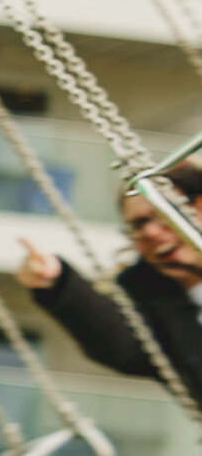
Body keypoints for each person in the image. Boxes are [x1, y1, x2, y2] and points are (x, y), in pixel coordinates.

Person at [15, 162, 202, 410]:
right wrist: (57, 281)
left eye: (165, 215)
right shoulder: (149, 297)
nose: (152, 233)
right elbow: (120, 343)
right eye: (139, 224)